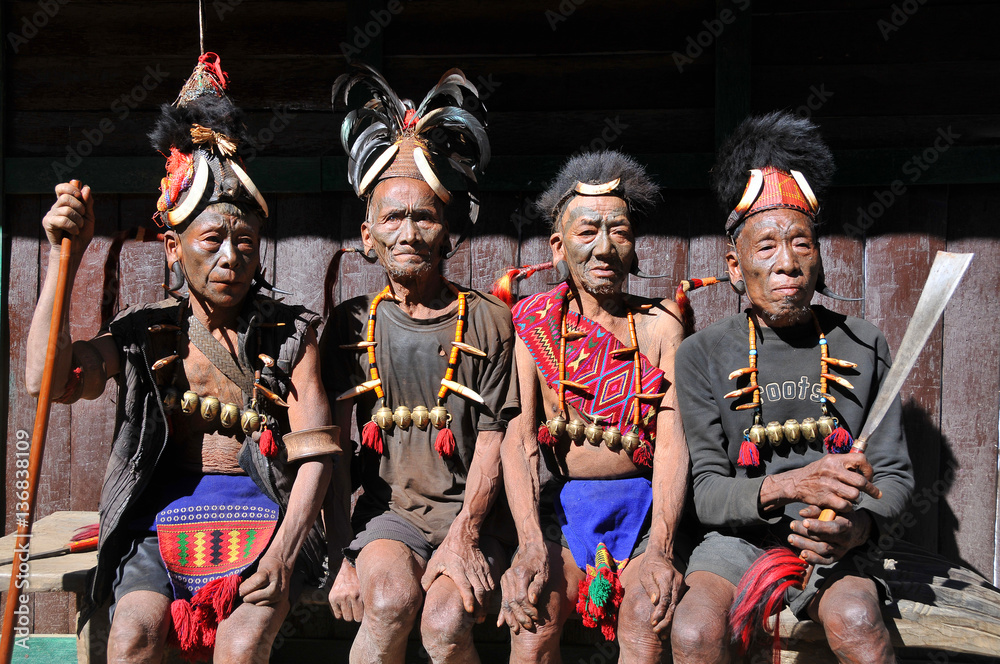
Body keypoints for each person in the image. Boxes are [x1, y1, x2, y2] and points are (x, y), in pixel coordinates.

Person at [26, 54, 338, 663]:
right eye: (213, 240)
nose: (231, 257)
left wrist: (283, 554)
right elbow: (48, 381)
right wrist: (65, 262)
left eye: (245, 242)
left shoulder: (292, 335)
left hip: (267, 515)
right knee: (132, 637)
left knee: (243, 644)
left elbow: (316, 453)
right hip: (158, 519)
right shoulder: (145, 337)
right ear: (173, 249)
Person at [669, 111, 914, 663]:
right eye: (767, 248)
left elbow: (895, 476)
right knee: (694, 632)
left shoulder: (863, 343)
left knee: (858, 623)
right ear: (735, 266)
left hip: (831, 543)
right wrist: (794, 483)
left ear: (819, 255)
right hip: (737, 543)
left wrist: (857, 528)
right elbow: (707, 495)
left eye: (801, 244)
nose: (788, 264)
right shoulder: (702, 353)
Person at [323, 65, 518, 664]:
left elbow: (494, 441)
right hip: (393, 515)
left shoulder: (487, 319)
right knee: (385, 604)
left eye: (425, 216)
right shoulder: (352, 326)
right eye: (392, 218)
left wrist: (465, 537)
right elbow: (330, 448)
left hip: (477, 519)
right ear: (367, 234)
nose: (408, 231)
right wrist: (338, 562)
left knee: (442, 623)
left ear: (447, 230)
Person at [494, 151, 689, 663]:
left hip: (644, 511)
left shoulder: (662, 328)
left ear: (633, 245)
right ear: (558, 246)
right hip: (562, 510)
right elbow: (518, 437)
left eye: (618, 231)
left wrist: (663, 548)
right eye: (587, 232)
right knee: (532, 629)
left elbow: (672, 444)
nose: (604, 247)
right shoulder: (535, 323)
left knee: (645, 629)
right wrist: (530, 542)